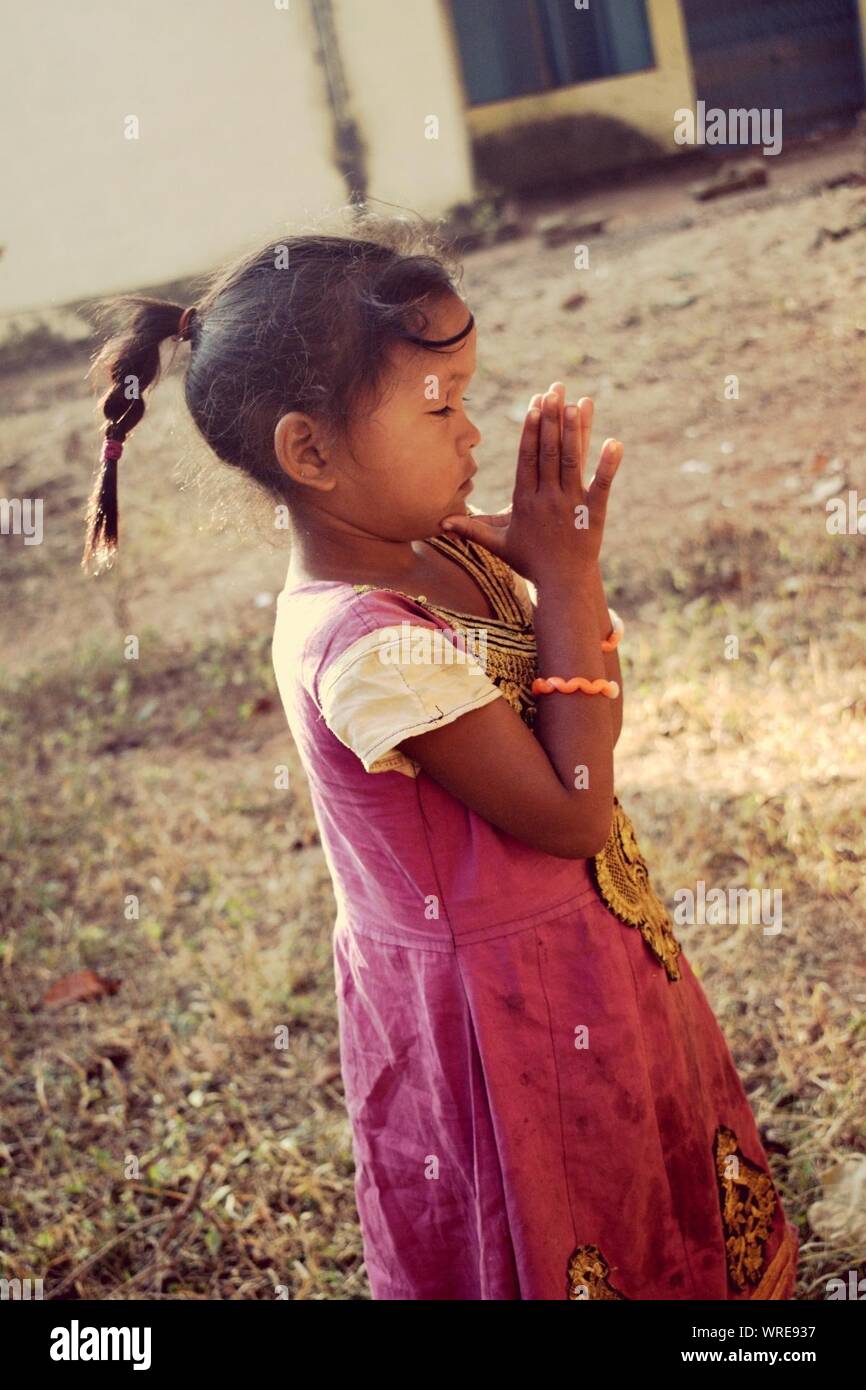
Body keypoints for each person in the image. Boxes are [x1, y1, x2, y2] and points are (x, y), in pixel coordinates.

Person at [83, 218, 799, 1301]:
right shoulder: (364, 648)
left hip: (590, 955)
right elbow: (570, 812)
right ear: (309, 452)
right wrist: (563, 581)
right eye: (437, 406)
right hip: (498, 1014)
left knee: (633, 1180)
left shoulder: (443, 546)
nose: (472, 434)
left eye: (466, 394)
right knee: (544, 1212)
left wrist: (556, 574)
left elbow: (584, 729)